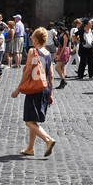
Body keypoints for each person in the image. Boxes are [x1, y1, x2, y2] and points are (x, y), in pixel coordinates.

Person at [14, 27, 56, 157]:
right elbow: (51, 75)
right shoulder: (48, 53)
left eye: (32, 37)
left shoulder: (33, 51)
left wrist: (18, 88)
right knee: (33, 120)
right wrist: (50, 94)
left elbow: (27, 71)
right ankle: (30, 148)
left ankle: (48, 140)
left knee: (29, 121)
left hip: (35, 89)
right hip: (45, 88)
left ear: (35, 39)